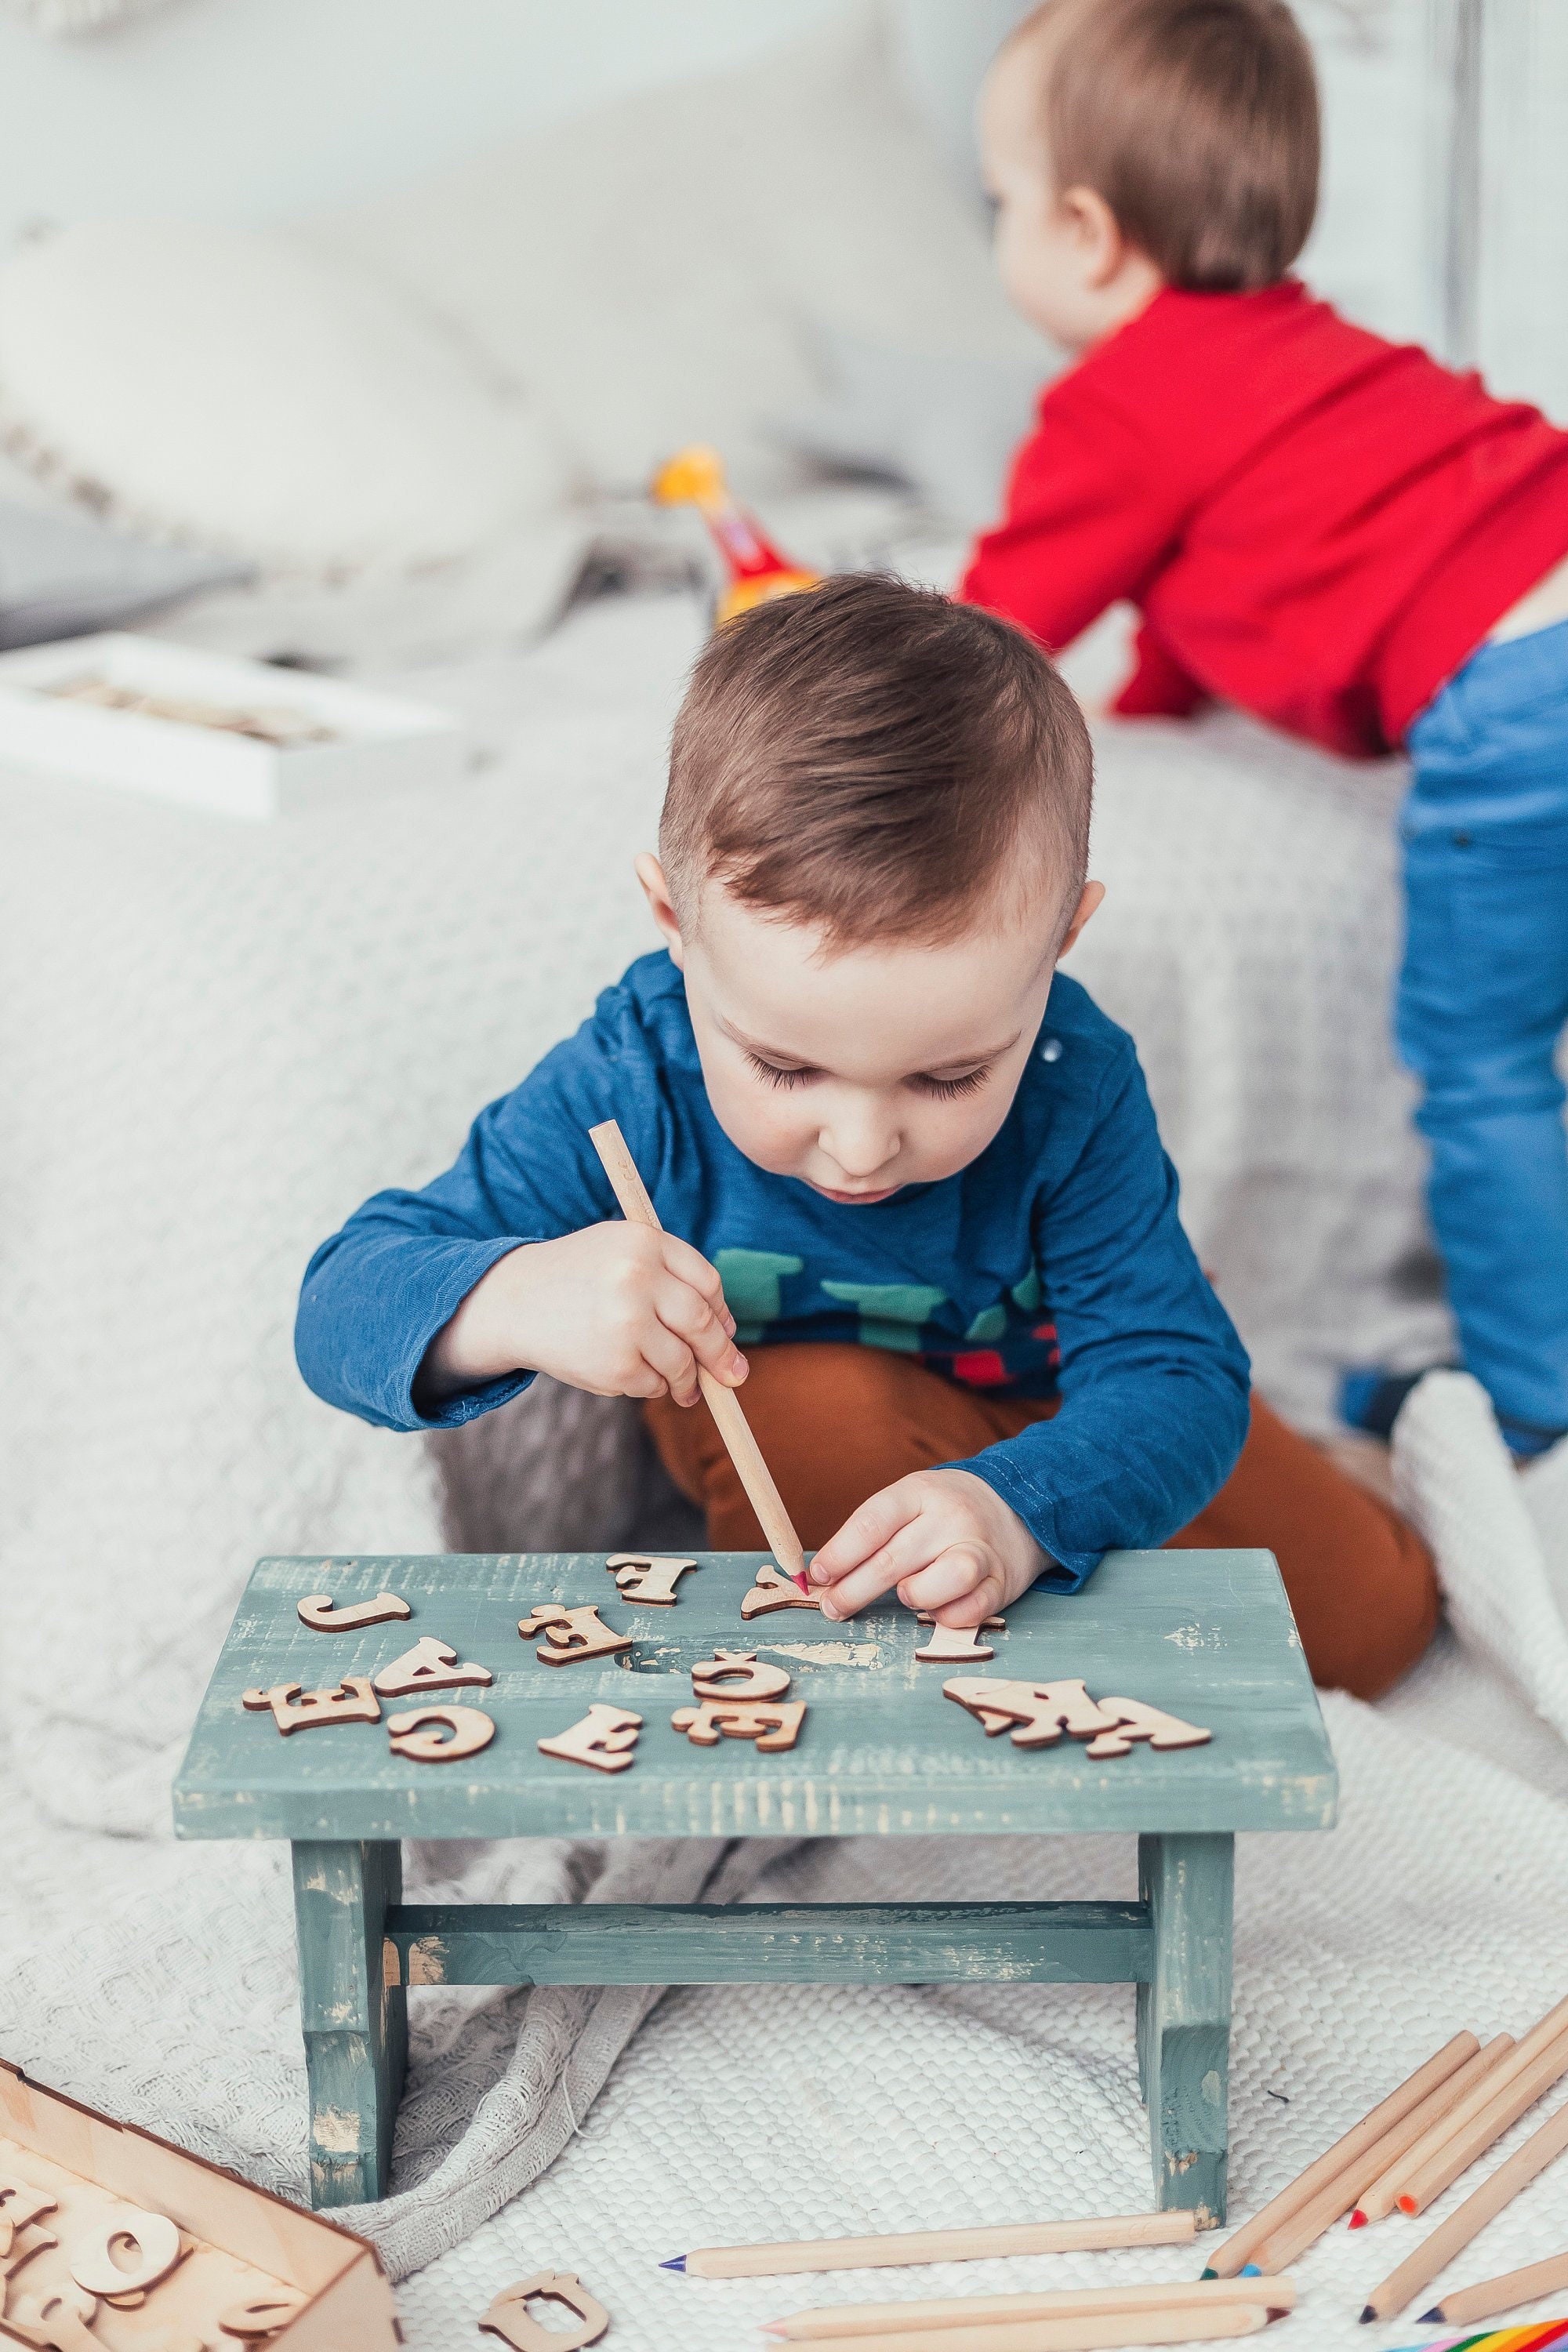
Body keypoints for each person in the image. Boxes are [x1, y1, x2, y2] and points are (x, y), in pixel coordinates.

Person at [296, 575, 1436, 1697]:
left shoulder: (1070, 1084)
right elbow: (342, 1302)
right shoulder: (633, 1073)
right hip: (803, 1411)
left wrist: (1020, 1507)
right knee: (828, 1477)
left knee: (1371, 1626)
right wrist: (508, 1297)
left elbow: (1171, 1372)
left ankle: (1321, 1464)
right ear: (672, 926)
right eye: (787, 1066)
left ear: (1063, 938)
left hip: (1057, 1413)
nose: (858, 1149)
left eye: (947, 1076)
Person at [964, 0, 1568, 1461]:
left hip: (1516, 692)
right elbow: (1224, 574)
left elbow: (981, 638)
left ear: (1091, 234)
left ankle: (1537, 1407)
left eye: (999, 203)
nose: (996, 231)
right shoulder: (1303, 354)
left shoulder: (1120, 406)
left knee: (1484, 1057)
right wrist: (1154, 706)